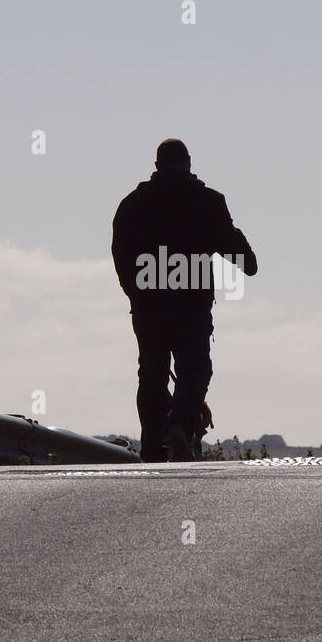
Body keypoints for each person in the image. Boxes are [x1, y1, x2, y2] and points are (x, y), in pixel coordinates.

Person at [111, 138, 257, 462]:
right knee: (195, 370)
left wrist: (133, 291)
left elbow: (120, 252)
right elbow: (241, 254)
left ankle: (152, 443)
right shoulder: (207, 202)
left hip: (148, 306)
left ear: (157, 165)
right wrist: (246, 260)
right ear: (189, 163)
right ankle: (179, 424)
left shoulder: (133, 205)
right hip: (191, 306)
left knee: (152, 372)